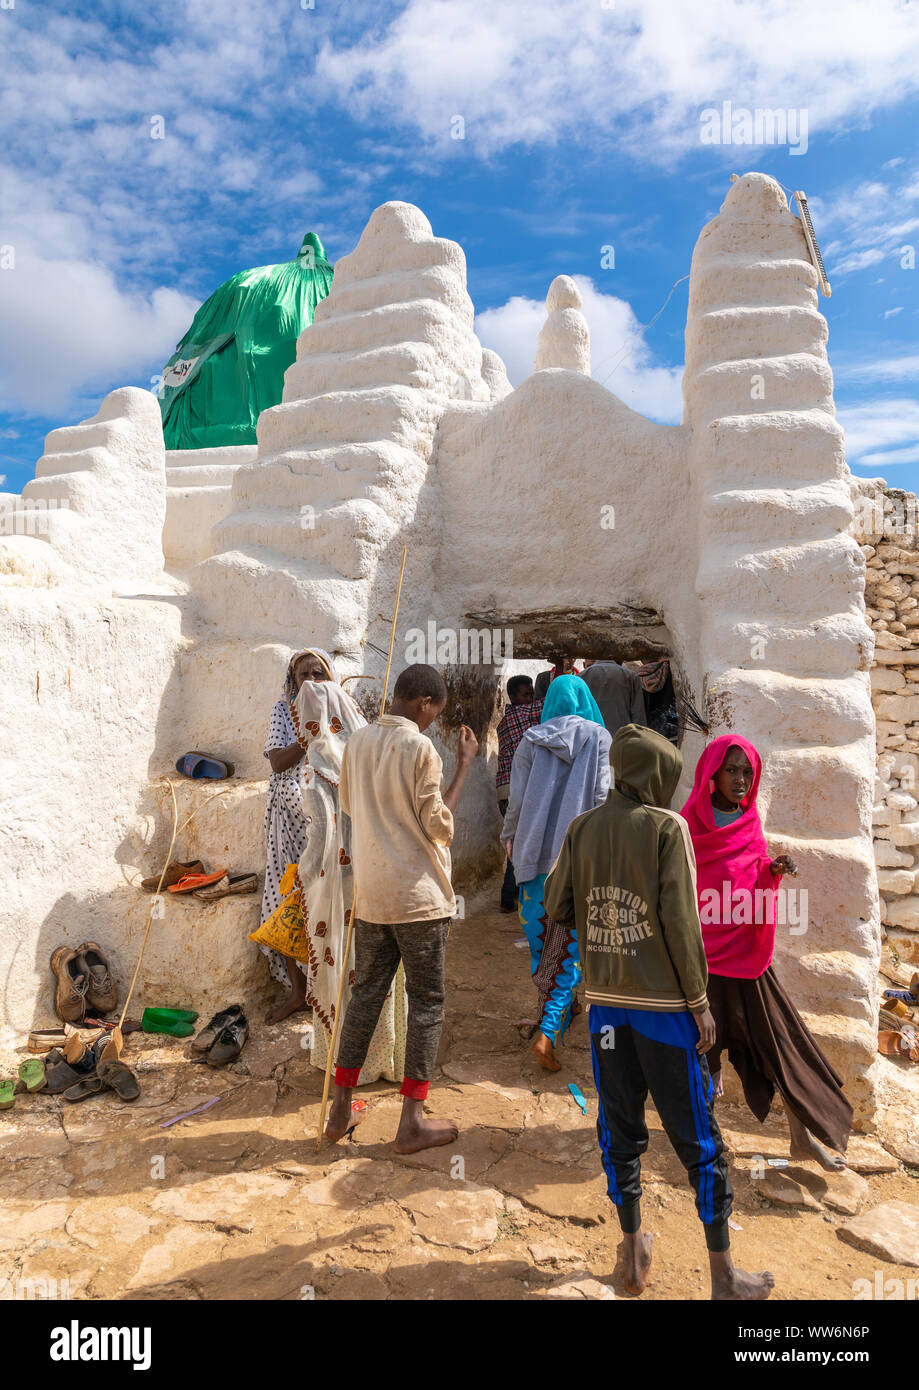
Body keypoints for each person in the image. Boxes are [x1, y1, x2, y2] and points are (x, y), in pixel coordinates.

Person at [545, 723, 773, 1301]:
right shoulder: (667, 828)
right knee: (699, 1140)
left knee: (619, 1131)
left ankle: (632, 1250)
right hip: (665, 1014)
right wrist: (700, 1004)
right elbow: (680, 922)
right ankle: (723, 1278)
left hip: (605, 1017)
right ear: (659, 775)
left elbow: (559, 905)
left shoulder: (582, 828)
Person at [325, 664, 478, 1153]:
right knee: (428, 1003)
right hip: (419, 898)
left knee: (365, 997)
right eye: (435, 712)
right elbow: (439, 825)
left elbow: (350, 808)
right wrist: (465, 765)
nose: (433, 721)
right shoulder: (419, 747)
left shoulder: (357, 744)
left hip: (372, 897)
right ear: (425, 704)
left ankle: (340, 1106)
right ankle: (411, 1120)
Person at [681, 736, 852, 1172]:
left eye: (747, 773)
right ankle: (706, 1143)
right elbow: (680, 886)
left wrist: (772, 871)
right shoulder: (687, 826)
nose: (740, 781)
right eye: (732, 771)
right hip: (700, 961)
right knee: (702, 1053)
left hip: (746, 959)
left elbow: (752, 878)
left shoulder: (749, 823)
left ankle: (802, 1140)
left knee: (780, 1048)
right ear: (712, 774)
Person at [254, 673, 408, 1082]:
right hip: (379, 882)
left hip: (339, 892)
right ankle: (387, 1058)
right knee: (378, 972)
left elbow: (320, 843)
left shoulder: (318, 769)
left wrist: (306, 875)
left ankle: (348, 1064)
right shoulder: (370, 754)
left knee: (346, 971)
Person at [501, 674, 610, 1071]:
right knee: (570, 947)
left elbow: (516, 800)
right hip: (575, 860)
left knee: (541, 941)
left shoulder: (531, 739)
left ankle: (558, 1009)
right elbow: (601, 797)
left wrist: (508, 837)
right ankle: (549, 1031)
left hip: (531, 856)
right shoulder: (598, 738)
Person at [258, 648, 330, 1017]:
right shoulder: (282, 711)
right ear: (294, 679)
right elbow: (276, 762)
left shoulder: (341, 710)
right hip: (289, 823)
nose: (313, 681)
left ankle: (325, 991)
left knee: (326, 903)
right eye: (306, 674)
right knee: (285, 899)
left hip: (327, 822)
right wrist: (307, 737)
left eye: (319, 674)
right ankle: (298, 992)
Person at [495, 675, 543, 912]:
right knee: (521, 844)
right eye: (526, 694)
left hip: (505, 789)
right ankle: (509, 896)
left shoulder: (505, 721)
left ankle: (509, 897)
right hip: (515, 788)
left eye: (531, 694)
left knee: (516, 842)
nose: (530, 699)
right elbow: (550, 703)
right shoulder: (520, 714)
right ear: (512, 697)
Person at [580, 657, 647, 735]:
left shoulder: (581, 677)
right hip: (622, 739)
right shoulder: (631, 677)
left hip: (591, 738)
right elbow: (638, 718)